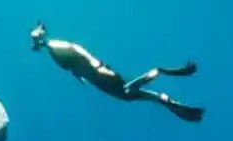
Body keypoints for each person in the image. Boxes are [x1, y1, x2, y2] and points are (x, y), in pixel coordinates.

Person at [30, 21, 204, 122]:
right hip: (104, 76)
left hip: (102, 76)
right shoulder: (70, 60)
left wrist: (42, 41)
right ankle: (176, 101)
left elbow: (73, 54)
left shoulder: (70, 58)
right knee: (153, 93)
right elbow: (74, 60)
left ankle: (176, 99)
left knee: (152, 87)